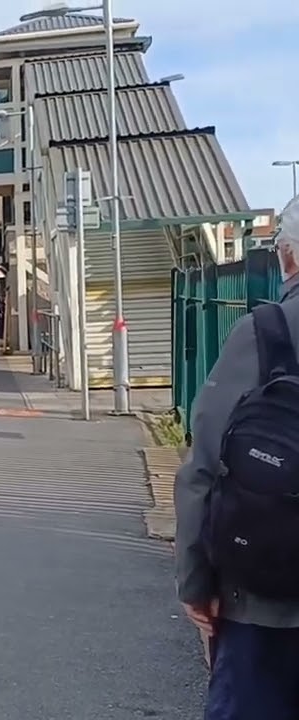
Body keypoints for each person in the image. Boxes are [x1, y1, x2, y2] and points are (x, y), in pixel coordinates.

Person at [175, 194, 299, 719]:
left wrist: (196, 584)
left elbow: (205, 466)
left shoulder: (268, 332)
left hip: (267, 603)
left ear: (288, 258)